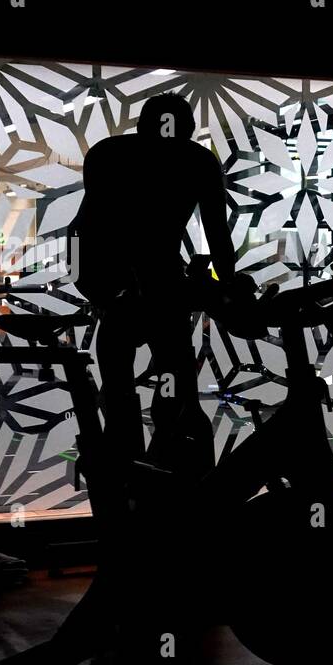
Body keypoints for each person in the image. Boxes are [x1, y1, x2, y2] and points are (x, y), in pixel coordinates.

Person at [70, 92, 238, 478]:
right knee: (169, 391)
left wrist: (97, 290)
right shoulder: (196, 162)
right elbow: (217, 234)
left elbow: (79, 230)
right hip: (156, 287)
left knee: (122, 391)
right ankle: (162, 471)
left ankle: (127, 477)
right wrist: (228, 286)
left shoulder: (109, 155)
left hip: (122, 287)